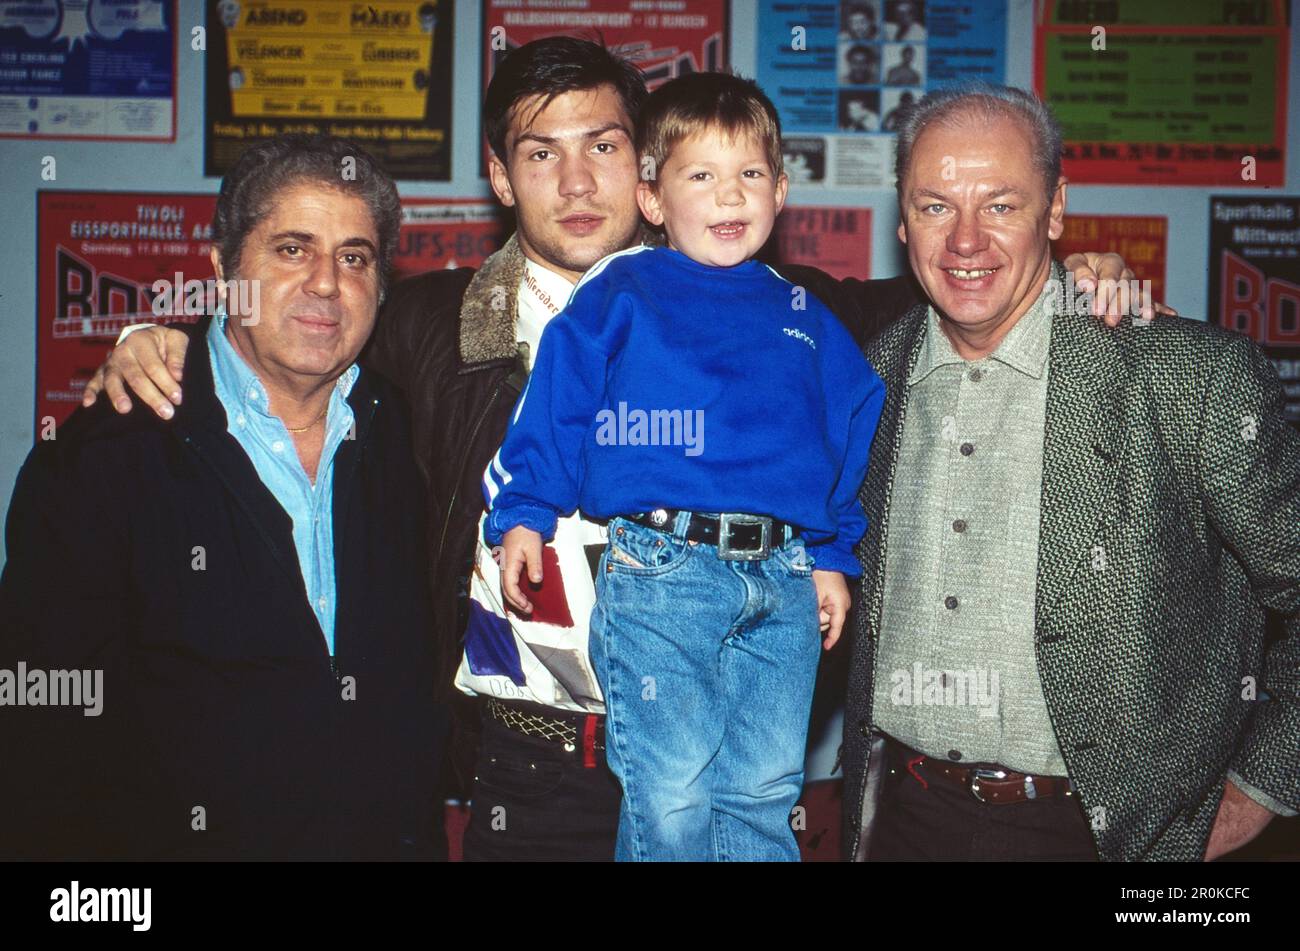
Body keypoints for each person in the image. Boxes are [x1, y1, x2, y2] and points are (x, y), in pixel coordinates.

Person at [80, 37, 1163, 862]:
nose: (578, 182)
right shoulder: (426, 326)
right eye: (541, 155)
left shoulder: (765, 305)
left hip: (722, 751)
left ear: (644, 167)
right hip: (529, 774)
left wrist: (1080, 271)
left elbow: (956, 282)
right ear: (502, 178)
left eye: (603, 147)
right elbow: (298, 334)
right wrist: (160, 338)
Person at [841, 83, 1300, 862]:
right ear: (901, 219)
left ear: (1055, 210)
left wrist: (1262, 787)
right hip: (900, 822)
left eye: (1001, 205)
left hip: (1105, 839)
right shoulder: (859, 379)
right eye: (935, 206)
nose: (965, 242)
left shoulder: (1187, 377)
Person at [0, 135, 445, 860]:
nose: (328, 283)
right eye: (293, 250)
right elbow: (37, 729)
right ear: (221, 269)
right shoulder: (105, 453)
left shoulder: (402, 430)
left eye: (355, 257)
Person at [484, 72, 885, 862]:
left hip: (784, 580)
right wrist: (525, 510)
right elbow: (560, 400)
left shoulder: (804, 312)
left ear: (781, 192)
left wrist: (833, 555)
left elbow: (853, 417)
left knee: (765, 797)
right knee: (670, 798)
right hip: (663, 575)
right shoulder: (621, 289)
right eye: (700, 175)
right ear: (654, 199)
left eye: (750, 175)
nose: (728, 196)